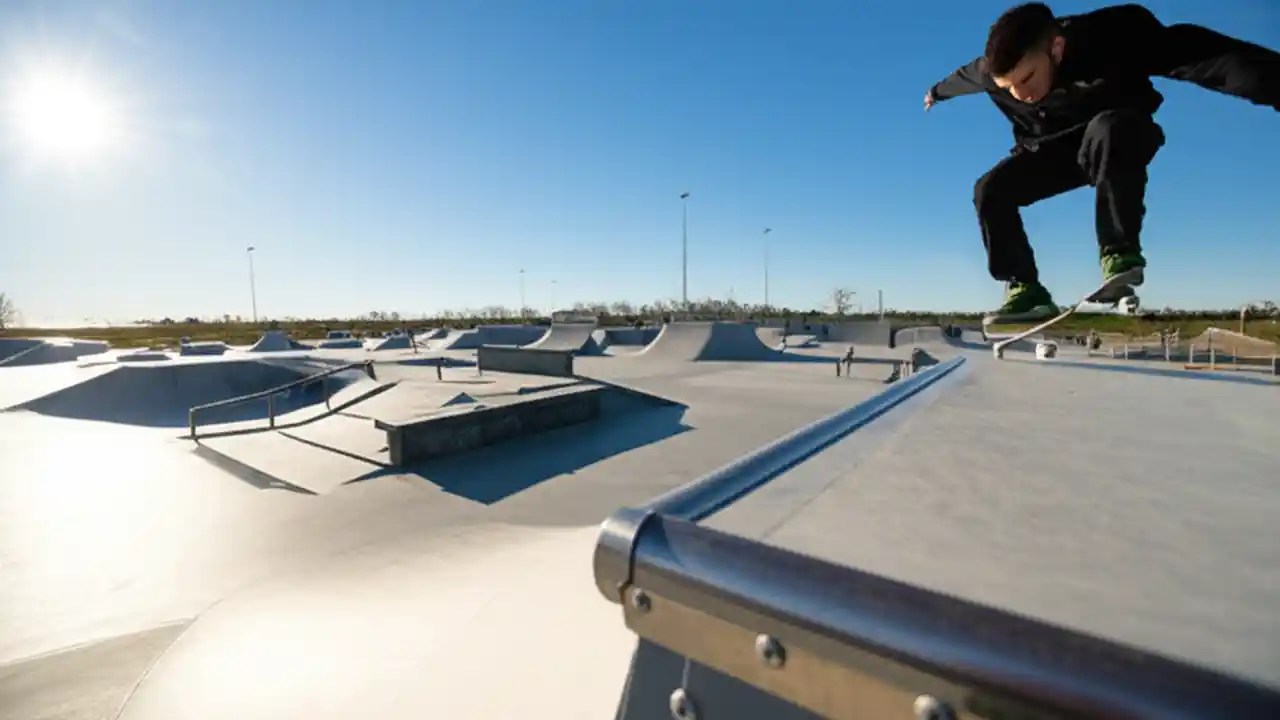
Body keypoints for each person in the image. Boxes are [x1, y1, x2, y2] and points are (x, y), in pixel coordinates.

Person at [924, 3, 1278, 324]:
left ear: (1056, 48)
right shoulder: (988, 72)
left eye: (1027, 78)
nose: (1021, 95)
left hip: (1120, 137)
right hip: (1054, 152)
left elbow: (1207, 57)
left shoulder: (1111, 37)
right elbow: (959, 80)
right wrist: (936, 93)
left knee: (1109, 128)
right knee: (990, 189)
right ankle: (1025, 288)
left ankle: (1119, 251)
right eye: (1009, 87)